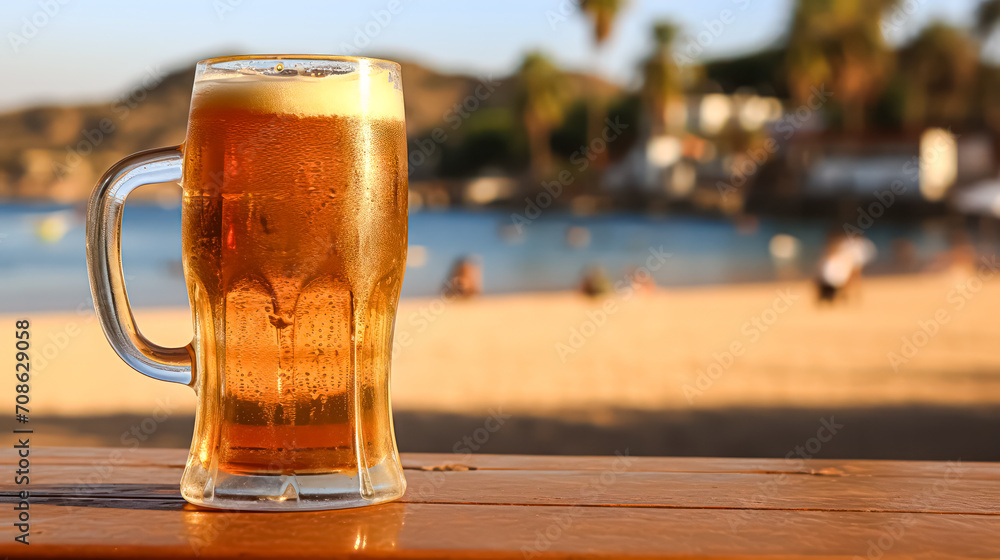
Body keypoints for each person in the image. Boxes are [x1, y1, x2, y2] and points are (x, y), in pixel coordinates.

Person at [816, 230, 876, 305]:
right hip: (848, 267)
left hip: (850, 267)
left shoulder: (852, 245)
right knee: (849, 283)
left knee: (852, 283)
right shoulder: (848, 245)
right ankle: (848, 296)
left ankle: (850, 296)